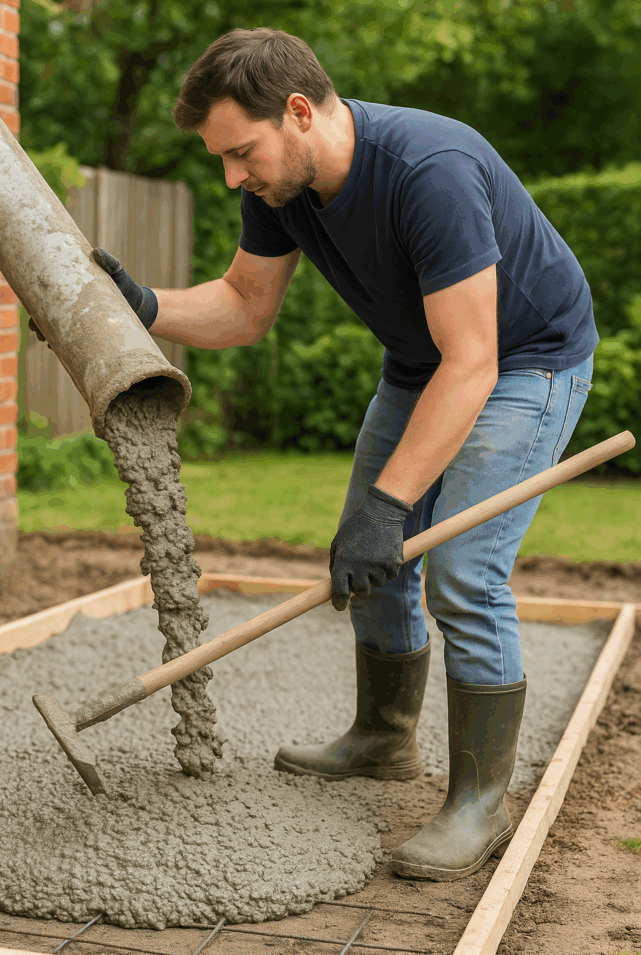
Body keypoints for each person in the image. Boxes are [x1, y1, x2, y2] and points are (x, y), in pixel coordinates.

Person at [93, 27, 597, 881]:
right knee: (366, 559)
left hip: (523, 363)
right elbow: (244, 307)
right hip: (423, 365)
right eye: (223, 159)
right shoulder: (280, 186)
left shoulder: (428, 171)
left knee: (463, 573)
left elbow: (473, 361)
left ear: (298, 112)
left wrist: (387, 504)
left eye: (240, 153)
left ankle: (480, 802)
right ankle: (382, 738)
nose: (233, 177)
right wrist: (141, 307)